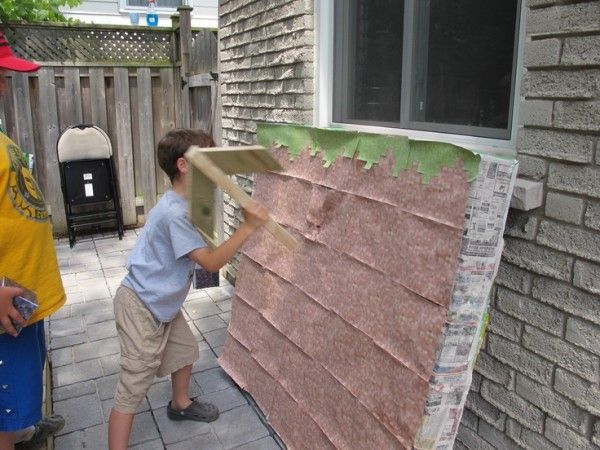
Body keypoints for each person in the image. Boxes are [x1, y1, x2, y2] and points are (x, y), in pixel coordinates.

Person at [108, 129, 268, 449]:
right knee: (134, 384)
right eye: (209, 159)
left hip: (161, 304)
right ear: (184, 165)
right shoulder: (175, 213)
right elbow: (210, 263)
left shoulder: (188, 204)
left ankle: (179, 405)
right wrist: (248, 227)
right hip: (140, 305)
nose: (217, 166)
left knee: (184, 351)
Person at [0, 32, 66, 450]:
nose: (5, 85)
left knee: (20, 387)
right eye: (0, 76)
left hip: (21, 298)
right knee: (5, 392)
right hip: (5, 304)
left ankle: (21, 431)